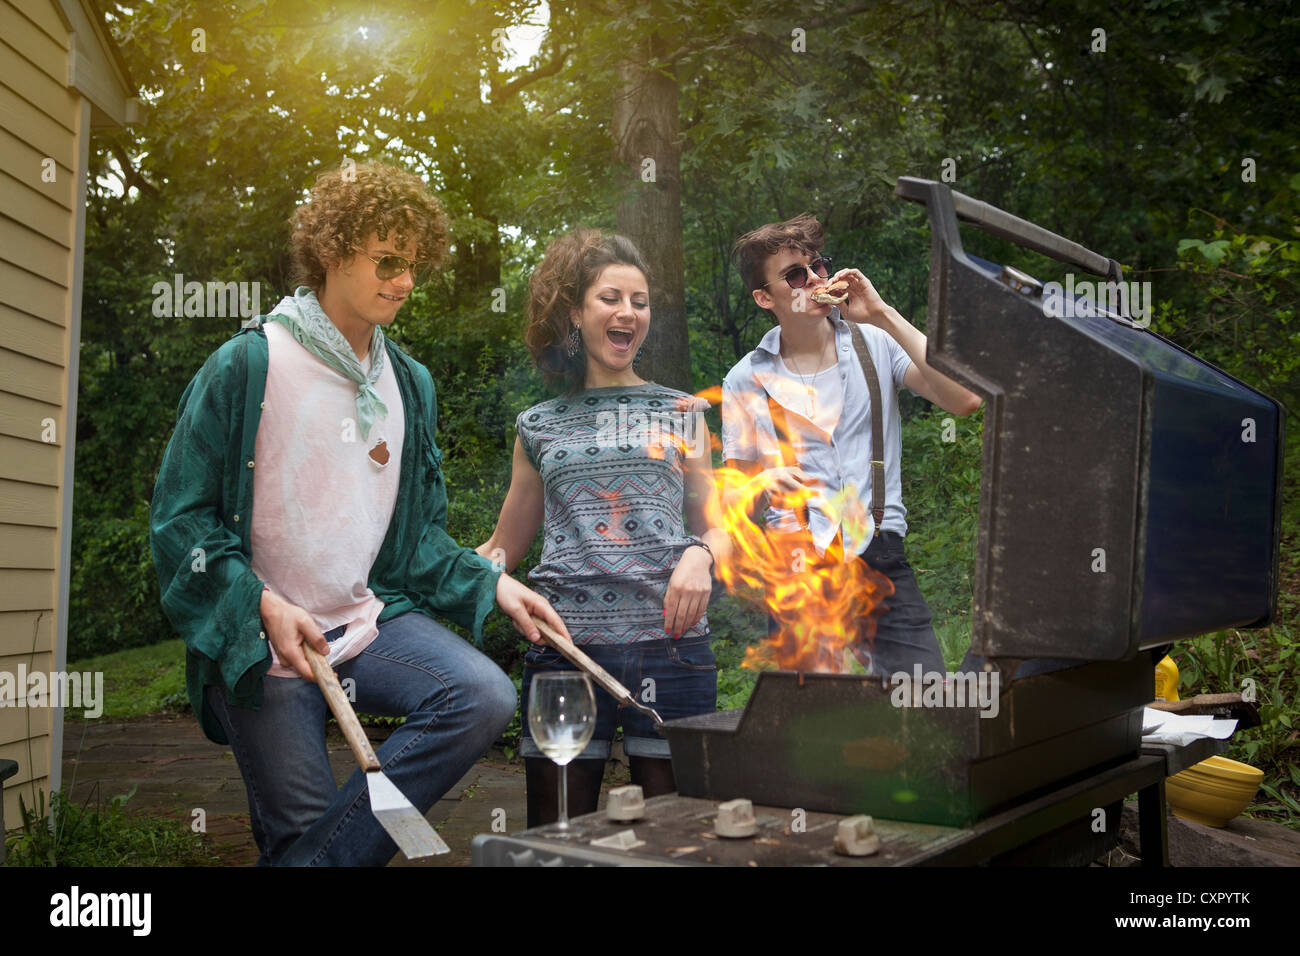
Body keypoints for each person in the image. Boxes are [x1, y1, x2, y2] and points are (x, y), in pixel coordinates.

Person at [149, 161, 568, 866]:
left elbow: (415, 544)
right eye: (389, 260)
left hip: (364, 627)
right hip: (268, 645)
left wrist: (493, 582)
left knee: (481, 695)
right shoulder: (248, 364)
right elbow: (180, 524)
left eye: (415, 265)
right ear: (332, 248)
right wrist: (260, 606)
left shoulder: (408, 382)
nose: (405, 281)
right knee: (308, 833)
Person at [477, 229, 730, 826]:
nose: (628, 313)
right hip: (564, 647)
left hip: (672, 647)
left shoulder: (683, 412)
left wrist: (699, 558)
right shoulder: (538, 425)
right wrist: (445, 572)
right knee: (558, 836)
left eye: (639, 302)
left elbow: (717, 528)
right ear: (575, 313)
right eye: (610, 298)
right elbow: (503, 546)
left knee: (679, 839)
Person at [721, 213, 982, 678]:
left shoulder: (875, 343)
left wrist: (881, 312)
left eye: (819, 266)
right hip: (797, 567)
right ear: (765, 297)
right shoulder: (745, 379)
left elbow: (964, 398)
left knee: (927, 705)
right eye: (795, 275)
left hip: (880, 559)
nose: (815, 280)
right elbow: (730, 500)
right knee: (814, 728)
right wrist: (759, 481)